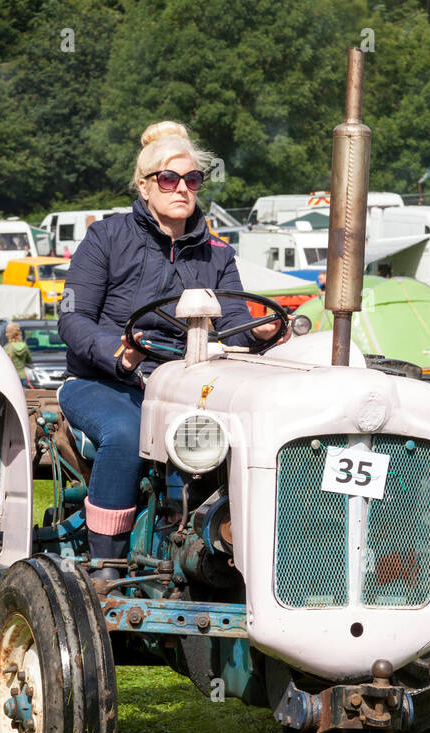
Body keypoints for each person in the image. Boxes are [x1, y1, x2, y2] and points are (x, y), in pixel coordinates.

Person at [58, 121, 285, 576]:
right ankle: (108, 561)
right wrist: (116, 352)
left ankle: (239, 548)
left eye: (191, 179)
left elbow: (235, 320)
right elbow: (72, 317)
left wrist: (258, 332)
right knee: (126, 433)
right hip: (105, 380)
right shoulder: (106, 238)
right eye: (168, 178)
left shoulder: (216, 253)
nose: (181, 188)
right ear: (145, 187)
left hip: (186, 384)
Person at [3, 322, 33, 387]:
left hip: (13, 378)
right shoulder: (24, 346)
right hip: (23, 377)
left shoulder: (7, 347)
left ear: (8, 334)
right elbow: (29, 360)